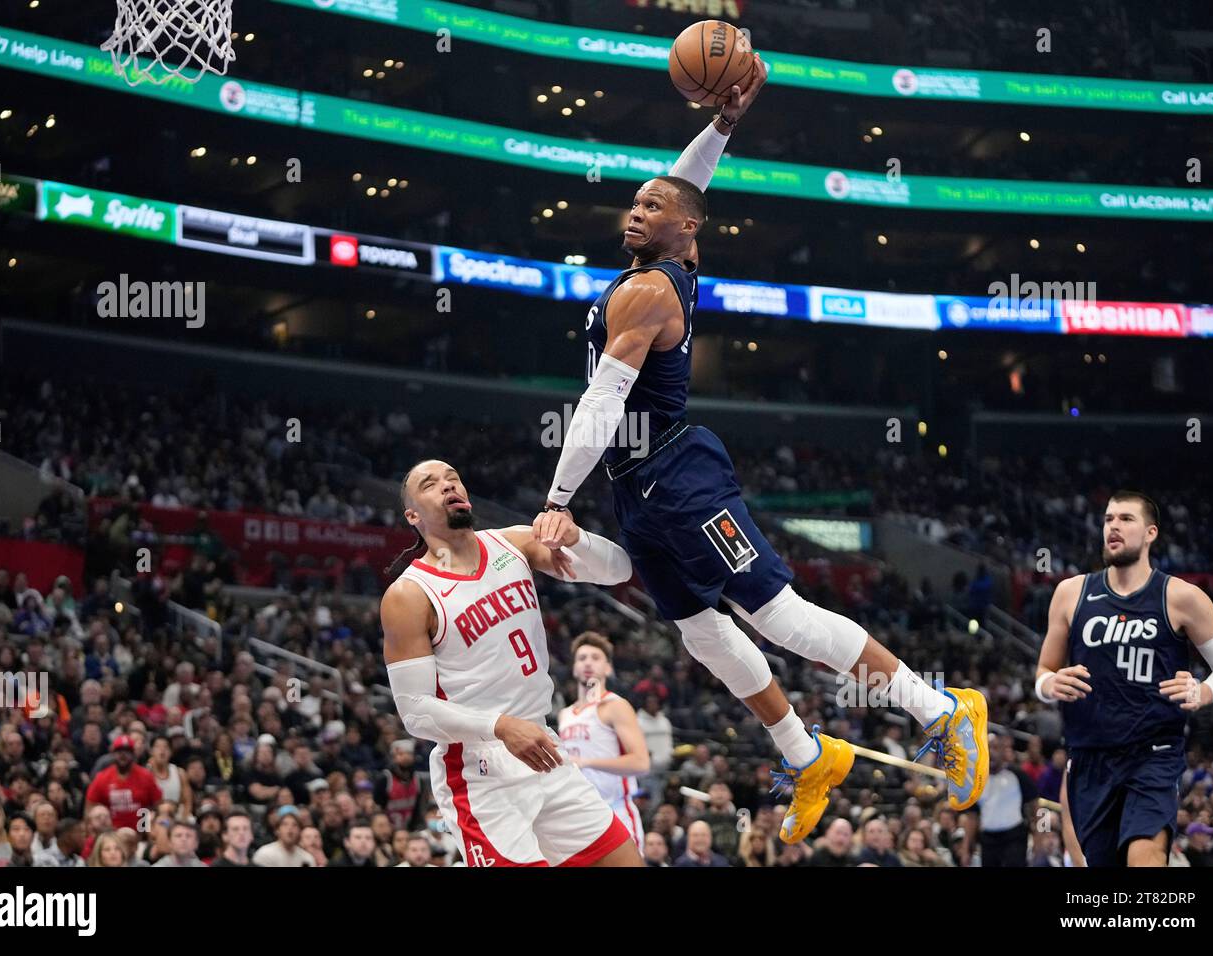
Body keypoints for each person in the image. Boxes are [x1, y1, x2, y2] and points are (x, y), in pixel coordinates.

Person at [532, 57, 987, 845]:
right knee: (701, 633)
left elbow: (603, 402)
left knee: (777, 616)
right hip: (637, 488)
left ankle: (941, 709)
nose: (635, 211)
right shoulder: (657, 259)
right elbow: (686, 186)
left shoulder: (650, 290)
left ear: (689, 229)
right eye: (634, 202)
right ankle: (804, 752)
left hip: (676, 470)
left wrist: (557, 501)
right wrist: (722, 124)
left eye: (651, 205)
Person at [381, 460, 641, 867]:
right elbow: (414, 713)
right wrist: (499, 726)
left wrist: (579, 539)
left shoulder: (514, 543)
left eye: (454, 477)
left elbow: (620, 570)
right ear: (412, 516)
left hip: (543, 745)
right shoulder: (410, 595)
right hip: (479, 768)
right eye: (431, 485)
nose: (448, 486)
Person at [1036, 490, 1213, 866]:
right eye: (1108, 519)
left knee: (1145, 858)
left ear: (1151, 533)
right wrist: (1048, 685)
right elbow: (1043, 672)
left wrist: (1203, 690)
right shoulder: (1070, 593)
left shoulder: (1181, 596)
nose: (1113, 526)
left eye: (1125, 519)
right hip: (1089, 758)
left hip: (1152, 755)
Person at [557, 631, 651, 855]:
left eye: (595, 657)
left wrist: (587, 762)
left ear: (608, 668)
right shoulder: (565, 715)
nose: (588, 662)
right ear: (574, 668)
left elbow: (641, 763)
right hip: (578, 815)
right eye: (582, 658)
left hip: (615, 810)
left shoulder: (615, 706)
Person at [977, 734, 1037, 867]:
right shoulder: (977, 780)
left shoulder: (1017, 775)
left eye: (995, 748)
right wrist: (966, 848)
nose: (991, 752)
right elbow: (972, 816)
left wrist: (1041, 835)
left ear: (1003, 751)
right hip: (988, 840)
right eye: (987, 748)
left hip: (1014, 837)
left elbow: (1038, 806)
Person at [85, 734, 163, 831]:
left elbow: (159, 805)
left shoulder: (146, 776)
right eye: (119, 751)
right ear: (113, 754)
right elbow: (90, 808)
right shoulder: (102, 778)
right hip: (110, 836)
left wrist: (148, 829)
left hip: (141, 833)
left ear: (133, 754)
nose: (123, 755)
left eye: (127, 751)